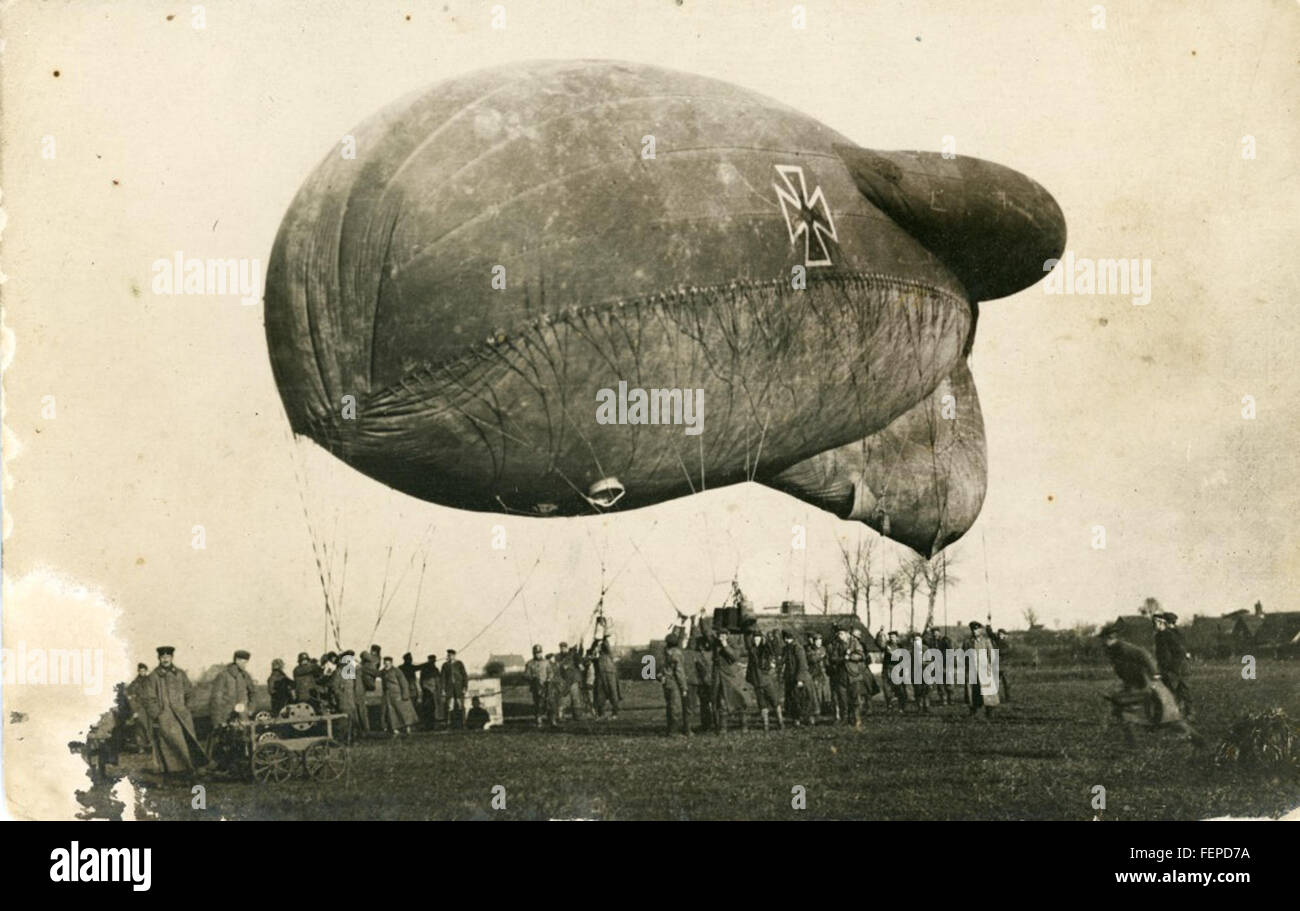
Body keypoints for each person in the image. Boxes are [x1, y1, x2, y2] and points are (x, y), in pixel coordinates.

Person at [1099, 624, 1204, 749]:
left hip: (1148, 685)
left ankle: (1199, 742)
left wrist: (1154, 674)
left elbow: (1144, 655)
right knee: (1125, 714)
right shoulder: (1113, 651)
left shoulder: (1123, 647)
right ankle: (1132, 746)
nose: (1103, 642)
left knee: (1171, 720)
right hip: (1137, 685)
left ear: (1111, 638)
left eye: (1105, 639)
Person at [144, 646, 206, 776]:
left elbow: (189, 692)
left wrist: (187, 708)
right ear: (159, 659)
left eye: (168, 657)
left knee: (188, 743)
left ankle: (192, 769)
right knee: (170, 746)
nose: (165, 659)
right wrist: (158, 714)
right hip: (166, 717)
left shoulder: (180, 674)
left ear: (172, 658)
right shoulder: (154, 676)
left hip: (183, 716)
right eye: (162, 657)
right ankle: (175, 773)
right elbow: (149, 698)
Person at [207, 649, 255, 759]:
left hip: (242, 715)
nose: (245, 664)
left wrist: (251, 709)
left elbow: (253, 692)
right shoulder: (223, 675)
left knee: (243, 740)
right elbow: (216, 698)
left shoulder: (245, 676)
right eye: (243, 661)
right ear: (236, 660)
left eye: (246, 662)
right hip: (226, 715)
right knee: (224, 743)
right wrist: (218, 720)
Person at [1153, 612, 1193, 720]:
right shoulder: (1162, 635)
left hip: (1176, 669)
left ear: (1163, 623)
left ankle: (1180, 715)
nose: (1154, 625)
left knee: (1175, 692)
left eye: (1156, 622)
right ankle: (1180, 714)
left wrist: (1170, 670)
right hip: (1176, 668)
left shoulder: (1169, 634)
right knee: (1179, 692)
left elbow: (1179, 652)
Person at [828, 626, 869, 727]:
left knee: (855, 698)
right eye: (838, 634)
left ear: (847, 634)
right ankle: (844, 719)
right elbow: (833, 658)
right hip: (840, 675)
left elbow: (861, 655)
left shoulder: (855, 642)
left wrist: (850, 657)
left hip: (854, 675)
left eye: (841, 634)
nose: (840, 636)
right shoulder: (835, 644)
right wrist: (843, 658)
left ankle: (856, 719)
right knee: (842, 699)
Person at [745, 629, 785, 732]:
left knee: (774, 701)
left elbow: (774, 653)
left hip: (767, 680)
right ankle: (765, 726)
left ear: (762, 639)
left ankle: (780, 723)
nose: (756, 640)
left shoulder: (767, 649)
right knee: (762, 704)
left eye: (758, 638)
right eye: (755, 638)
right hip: (757, 681)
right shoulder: (752, 650)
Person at [712, 630, 749, 732]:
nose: (721, 637)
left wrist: (725, 645)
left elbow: (734, 656)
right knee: (722, 702)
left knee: (739, 700)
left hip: (733, 677)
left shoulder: (733, 644)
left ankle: (744, 726)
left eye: (723, 635)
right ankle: (723, 728)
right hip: (720, 677)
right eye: (720, 635)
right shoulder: (716, 644)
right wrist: (700, 618)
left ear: (727, 636)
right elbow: (707, 633)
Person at [962, 622, 1000, 718]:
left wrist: (988, 667)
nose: (975, 632)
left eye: (977, 629)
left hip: (984, 670)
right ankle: (973, 710)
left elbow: (991, 655)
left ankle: (989, 711)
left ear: (981, 630)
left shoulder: (986, 641)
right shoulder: (967, 642)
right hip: (972, 670)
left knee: (987, 690)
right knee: (972, 691)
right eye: (973, 630)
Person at [781, 630, 815, 726]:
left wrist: (800, 679)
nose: (787, 640)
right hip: (790, 677)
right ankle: (796, 718)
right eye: (786, 639)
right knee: (793, 699)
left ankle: (808, 718)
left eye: (788, 638)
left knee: (803, 698)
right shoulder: (787, 648)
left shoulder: (797, 648)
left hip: (799, 677)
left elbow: (802, 664)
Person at [661, 633, 691, 736]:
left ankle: (670, 729)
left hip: (666, 683)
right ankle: (674, 732)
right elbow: (679, 672)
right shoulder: (676, 653)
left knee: (670, 706)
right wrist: (684, 687)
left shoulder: (665, 652)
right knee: (676, 707)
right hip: (674, 682)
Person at [591, 617, 621, 719]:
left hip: (609, 670)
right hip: (600, 671)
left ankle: (615, 713)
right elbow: (591, 654)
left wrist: (602, 639)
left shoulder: (607, 641)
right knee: (599, 692)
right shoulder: (595, 643)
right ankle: (601, 713)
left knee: (612, 691)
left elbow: (609, 651)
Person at [380, 656, 417, 735]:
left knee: (403, 711)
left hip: (398, 694)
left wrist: (405, 694)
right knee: (391, 713)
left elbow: (403, 682)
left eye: (388, 663)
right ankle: (395, 729)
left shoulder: (397, 671)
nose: (386, 665)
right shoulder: (383, 672)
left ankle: (407, 727)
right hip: (388, 695)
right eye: (385, 663)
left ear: (391, 663)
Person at [124, 662, 154, 752]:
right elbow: (130, 697)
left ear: (146, 671)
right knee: (140, 727)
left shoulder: (150, 681)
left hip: (150, 707)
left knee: (150, 727)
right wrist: (134, 711)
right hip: (139, 708)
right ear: (138, 671)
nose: (142, 672)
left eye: (144, 671)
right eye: (141, 671)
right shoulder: (135, 683)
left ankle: (151, 746)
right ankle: (141, 747)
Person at [689, 632, 715, 732]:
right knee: (708, 704)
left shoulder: (701, 655)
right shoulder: (709, 653)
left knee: (706, 704)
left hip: (705, 682)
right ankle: (709, 725)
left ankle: (708, 725)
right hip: (707, 682)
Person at [525, 644, 555, 727]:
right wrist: (532, 677)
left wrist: (549, 679)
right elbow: (526, 675)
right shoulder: (529, 663)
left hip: (547, 686)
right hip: (536, 687)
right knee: (538, 704)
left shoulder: (546, 662)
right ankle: (539, 721)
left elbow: (551, 672)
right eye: (535, 653)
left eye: (539, 653)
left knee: (550, 703)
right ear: (533, 653)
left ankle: (552, 721)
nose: (537, 654)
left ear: (541, 653)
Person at [555, 643, 584, 721]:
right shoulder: (558, 656)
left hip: (573, 679)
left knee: (575, 698)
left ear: (567, 648)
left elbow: (581, 667)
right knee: (563, 698)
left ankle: (577, 716)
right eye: (561, 648)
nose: (562, 649)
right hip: (564, 681)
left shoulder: (574, 655)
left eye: (564, 648)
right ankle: (560, 716)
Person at [806, 633, 831, 720]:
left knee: (826, 692)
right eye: (817, 641)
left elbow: (827, 660)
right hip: (815, 673)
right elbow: (812, 659)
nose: (819, 642)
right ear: (814, 641)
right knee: (817, 692)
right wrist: (820, 656)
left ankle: (826, 709)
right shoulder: (809, 649)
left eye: (820, 641)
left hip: (823, 673)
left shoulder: (824, 649)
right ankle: (817, 711)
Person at [881, 631, 909, 711]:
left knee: (900, 689)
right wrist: (880, 633)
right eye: (890, 637)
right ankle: (889, 706)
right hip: (887, 669)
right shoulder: (886, 646)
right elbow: (879, 644)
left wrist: (892, 653)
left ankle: (901, 707)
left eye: (893, 637)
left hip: (898, 669)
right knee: (887, 689)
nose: (891, 638)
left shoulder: (900, 647)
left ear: (897, 638)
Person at [441, 648, 468, 727]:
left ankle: (463, 723)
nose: (449, 656)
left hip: (459, 688)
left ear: (454, 655)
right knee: (450, 705)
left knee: (460, 705)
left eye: (451, 655)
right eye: (448, 655)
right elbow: (443, 678)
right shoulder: (445, 665)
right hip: (449, 689)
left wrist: (465, 687)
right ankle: (449, 724)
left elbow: (464, 676)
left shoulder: (459, 663)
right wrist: (443, 689)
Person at [418, 654, 446, 729]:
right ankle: (429, 724)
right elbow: (422, 681)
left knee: (433, 708)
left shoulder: (435, 669)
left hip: (434, 692)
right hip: (428, 692)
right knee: (429, 708)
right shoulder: (426, 669)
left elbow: (438, 681)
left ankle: (432, 724)